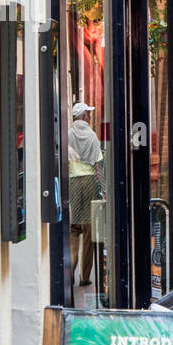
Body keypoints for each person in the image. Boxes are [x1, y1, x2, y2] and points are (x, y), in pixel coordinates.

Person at [68, 102, 103, 287]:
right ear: (83, 116)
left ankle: (70, 270)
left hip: (74, 183)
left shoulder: (68, 136)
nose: (89, 116)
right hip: (89, 182)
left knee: (74, 229)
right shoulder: (91, 136)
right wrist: (103, 188)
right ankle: (84, 276)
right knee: (89, 231)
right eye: (87, 114)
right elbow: (98, 165)